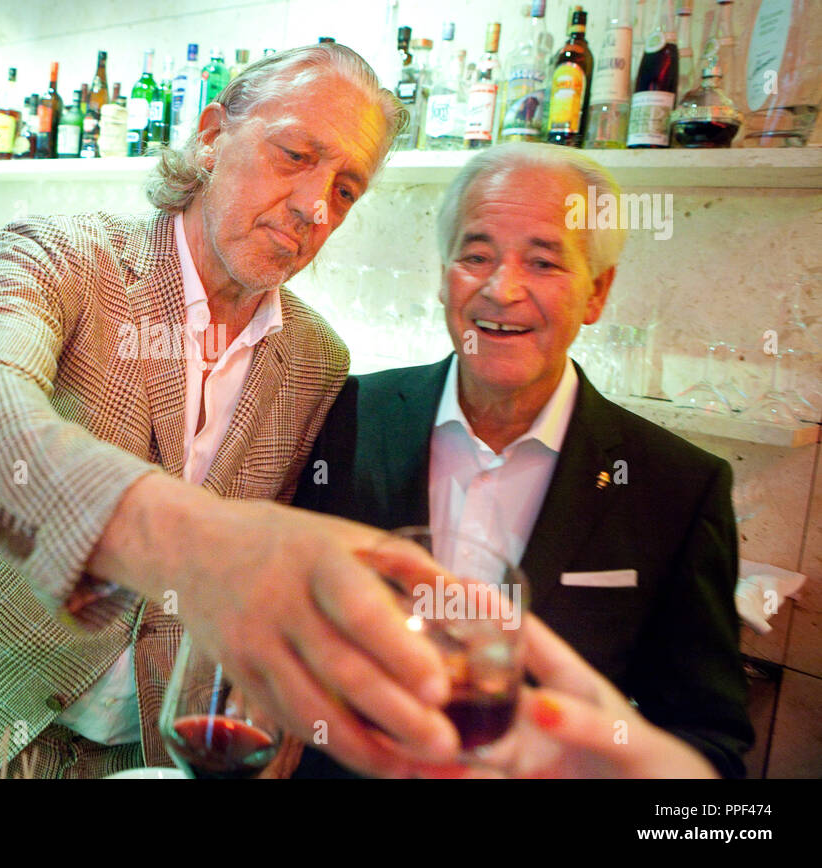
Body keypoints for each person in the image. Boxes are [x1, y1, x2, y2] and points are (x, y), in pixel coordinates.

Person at [0, 43, 472, 779]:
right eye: (296, 154)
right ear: (211, 136)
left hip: (146, 751)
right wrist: (190, 537)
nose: (313, 206)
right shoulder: (63, 257)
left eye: (345, 189)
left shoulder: (316, 358)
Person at [292, 143, 753, 777]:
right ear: (445, 274)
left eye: (543, 261)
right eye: (476, 256)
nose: (502, 290)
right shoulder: (345, 414)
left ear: (597, 293)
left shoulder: (678, 488)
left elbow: (709, 742)